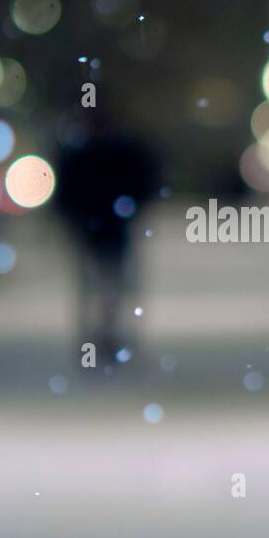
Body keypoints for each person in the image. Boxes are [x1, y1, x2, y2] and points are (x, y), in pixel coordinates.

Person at [53, 105, 160, 367]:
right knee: (109, 287)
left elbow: (65, 194)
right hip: (107, 229)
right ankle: (105, 339)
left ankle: (101, 340)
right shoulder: (115, 153)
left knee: (102, 288)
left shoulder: (85, 154)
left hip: (99, 230)